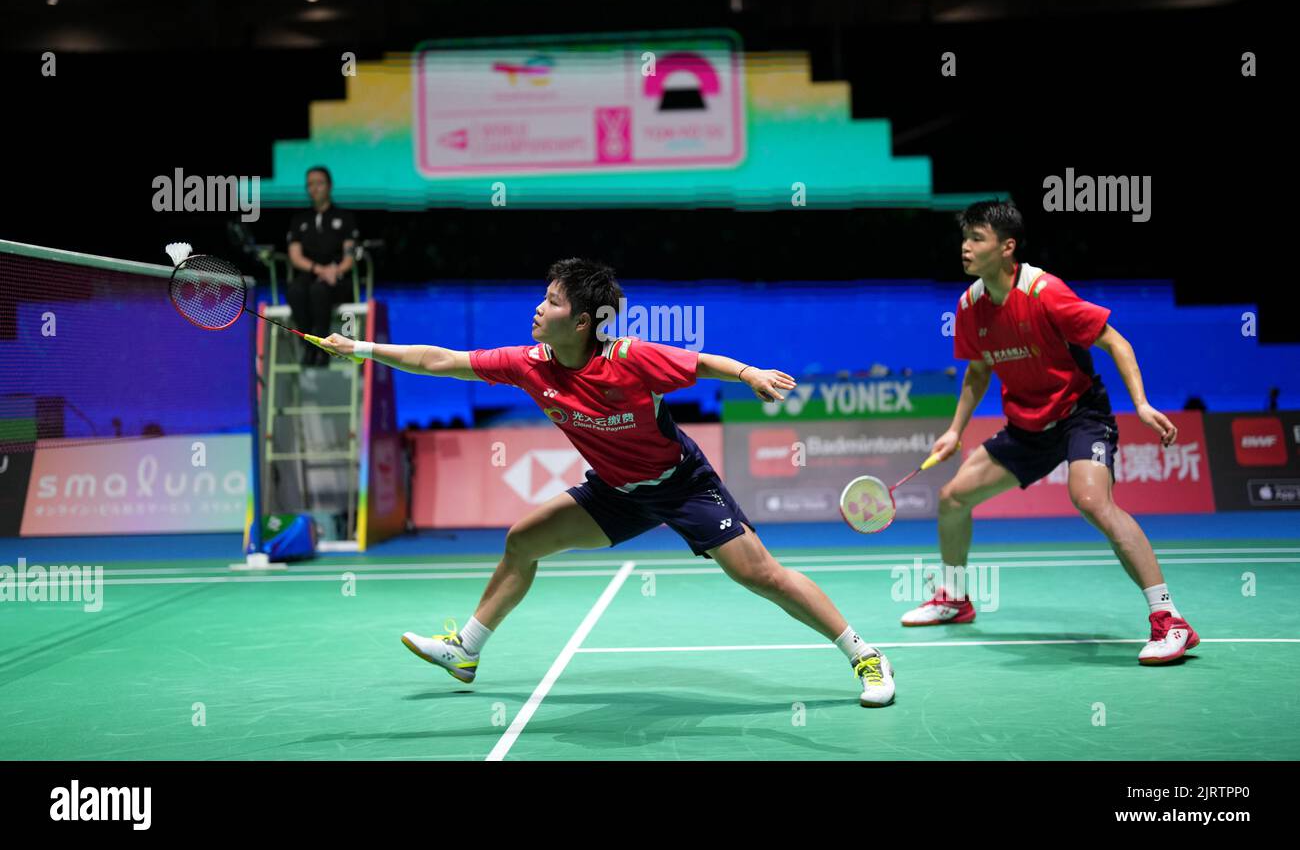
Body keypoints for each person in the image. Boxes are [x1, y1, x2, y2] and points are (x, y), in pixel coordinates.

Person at [317, 258, 897, 706]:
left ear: (584, 320)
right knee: (523, 539)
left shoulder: (630, 358)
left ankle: (864, 655)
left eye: (551, 301)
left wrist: (751, 374)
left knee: (760, 575)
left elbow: (701, 363)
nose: (538, 309)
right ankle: (466, 650)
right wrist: (360, 349)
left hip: (682, 484)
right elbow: (441, 360)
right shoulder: (531, 363)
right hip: (616, 492)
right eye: (543, 298)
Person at [902, 199, 1199, 665]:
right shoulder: (970, 306)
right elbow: (979, 371)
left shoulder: (1046, 292)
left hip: (1081, 415)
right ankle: (955, 598)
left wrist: (1140, 404)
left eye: (976, 239)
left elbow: (1114, 340)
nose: (965, 247)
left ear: (1007, 247)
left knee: (1091, 500)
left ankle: (1170, 620)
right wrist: (955, 430)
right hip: (1026, 426)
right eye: (964, 238)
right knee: (952, 498)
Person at [286, 166, 358, 366]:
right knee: (295, 291)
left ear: (329, 186)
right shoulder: (299, 220)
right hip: (310, 275)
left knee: (319, 291)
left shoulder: (345, 218)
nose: (314, 188)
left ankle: (325, 347)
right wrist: (319, 270)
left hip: (337, 278)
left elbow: (349, 256)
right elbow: (295, 256)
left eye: (319, 183)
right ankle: (309, 346)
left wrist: (336, 271)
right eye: (310, 184)